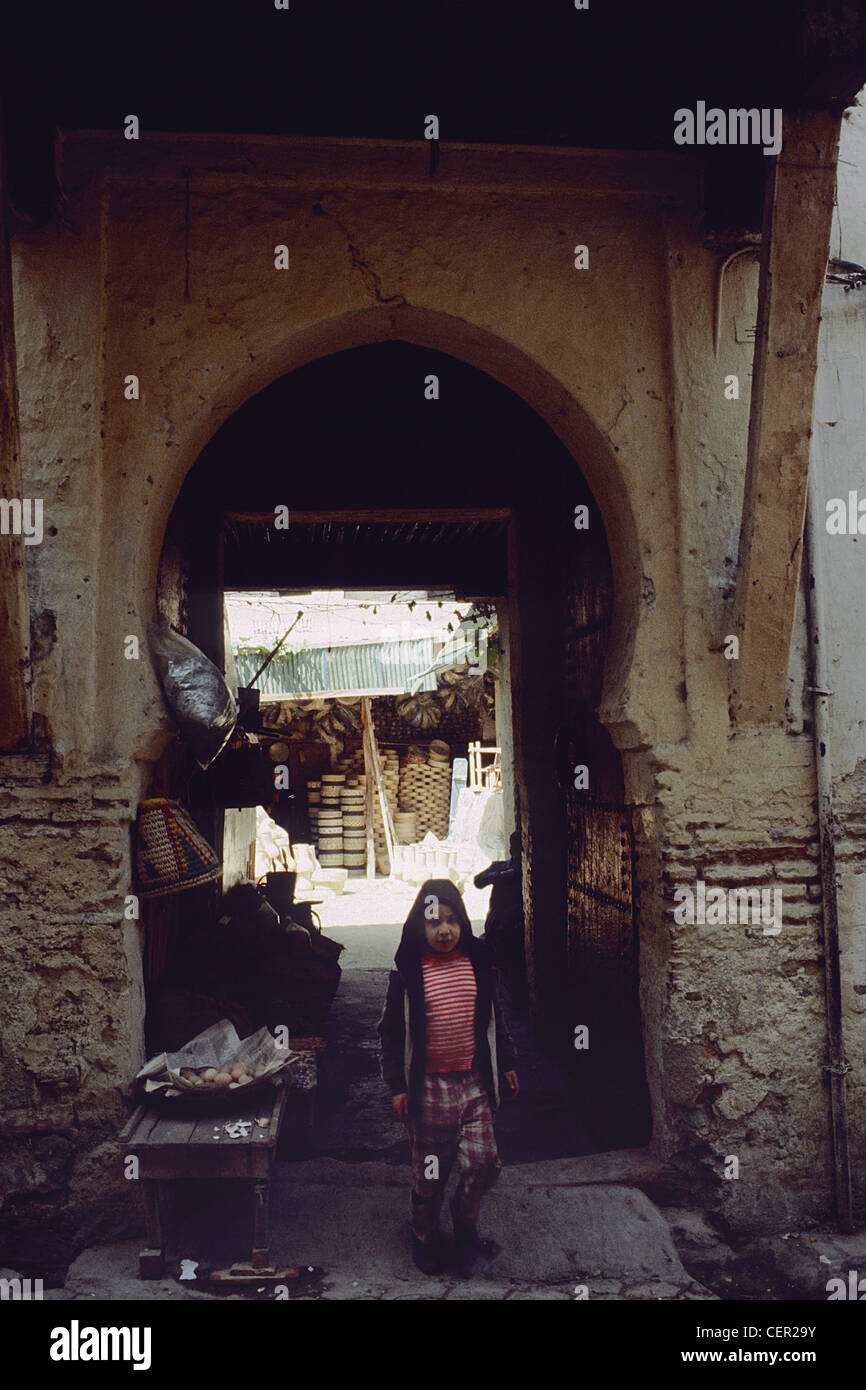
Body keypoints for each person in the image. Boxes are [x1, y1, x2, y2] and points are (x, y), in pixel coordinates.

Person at [377, 878, 518, 1277]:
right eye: (434, 921)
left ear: (464, 923)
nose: (444, 930)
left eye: (453, 920)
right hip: (429, 1090)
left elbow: (495, 1020)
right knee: (431, 1170)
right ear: (418, 926)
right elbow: (389, 1034)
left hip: (473, 1083)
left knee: (485, 1162)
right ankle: (424, 1235)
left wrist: (506, 1061)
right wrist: (397, 1086)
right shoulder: (407, 975)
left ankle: (464, 1218)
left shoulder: (478, 965)